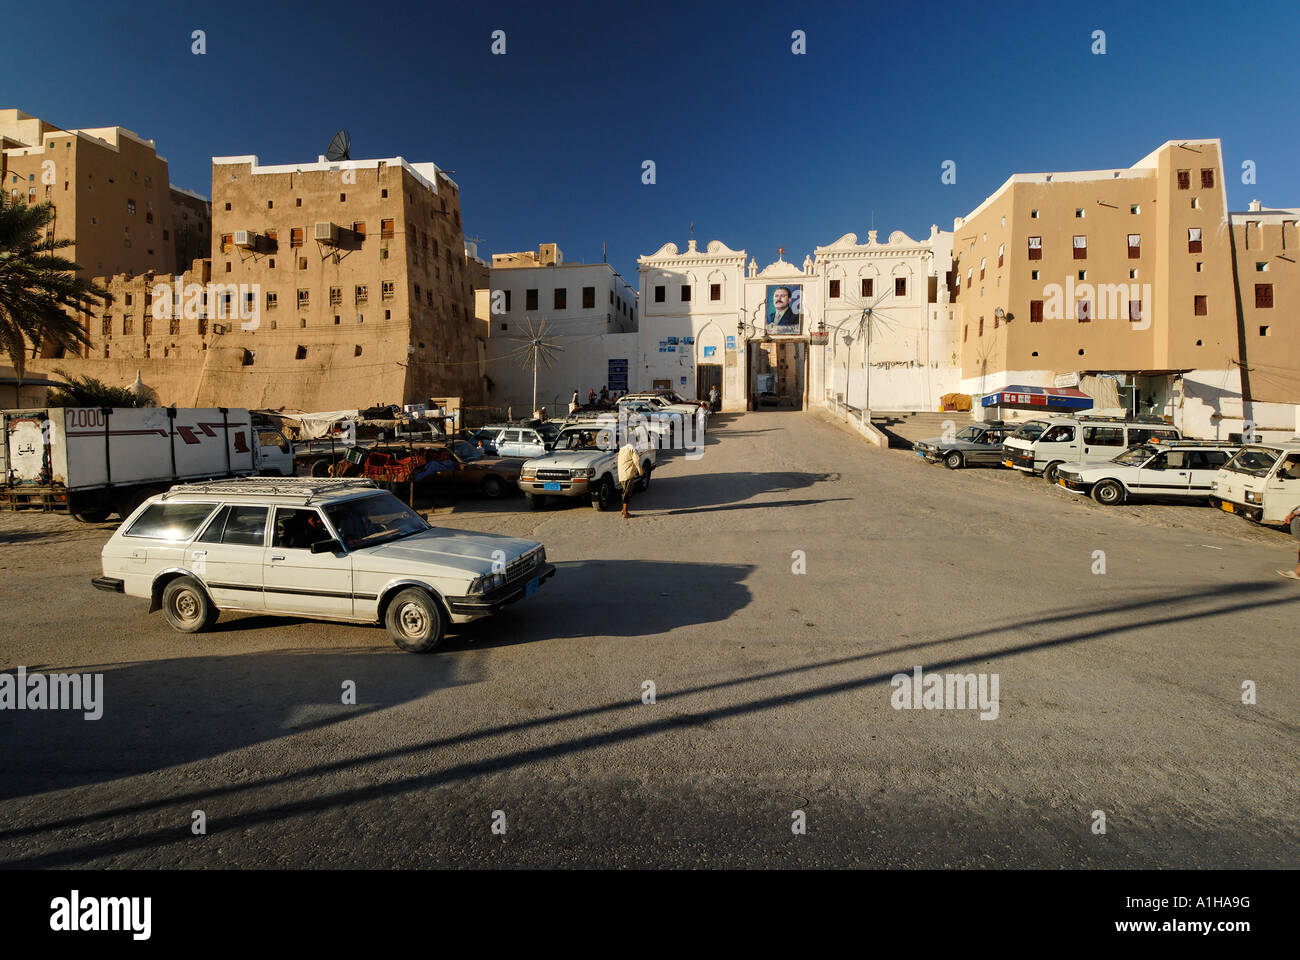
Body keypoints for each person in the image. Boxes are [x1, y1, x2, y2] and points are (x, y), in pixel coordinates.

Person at [617, 433, 644, 519]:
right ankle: (625, 512)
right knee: (627, 493)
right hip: (628, 474)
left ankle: (623, 509)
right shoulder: (632, 449)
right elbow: (637, 461)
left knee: (624, 492)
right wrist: (640, 472)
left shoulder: (622, 449)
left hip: (621, 474)